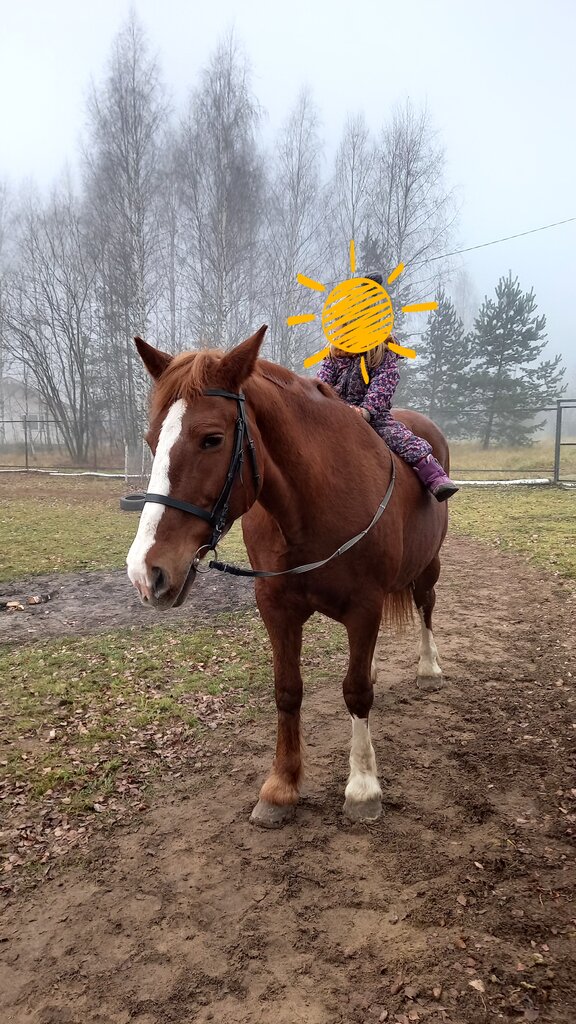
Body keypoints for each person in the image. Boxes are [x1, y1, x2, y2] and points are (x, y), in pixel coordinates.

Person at [316, 276, 458, 502]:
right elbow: (322, 382)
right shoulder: (335, 353)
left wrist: (366, 410)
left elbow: (385, 382)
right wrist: (323, 403)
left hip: (372, 416)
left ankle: (433, 474)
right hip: (337, 413)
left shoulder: (383, 351)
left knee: (399, 437)